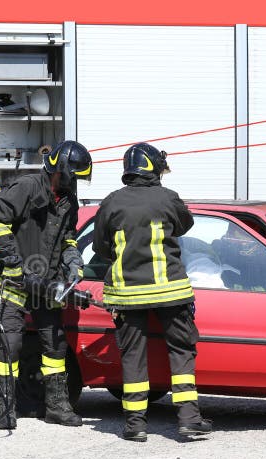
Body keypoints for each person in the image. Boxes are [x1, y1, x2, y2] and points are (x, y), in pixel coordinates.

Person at [93, 142, 212, 442]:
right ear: (154, 168)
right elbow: (185, 226)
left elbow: (101, 248)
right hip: (170, 292)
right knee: (181, 351)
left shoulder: (111, 202)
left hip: (127, 295)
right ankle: (188, 418)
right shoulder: (168, 198)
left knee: (133, 356)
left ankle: (135, 425)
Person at [0, 140, 92, 429]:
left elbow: (69, 238)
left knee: (55, 343)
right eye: (75, 177)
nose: (77, 183)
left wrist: (73, 262)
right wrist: (14, 263)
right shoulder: (27, 187)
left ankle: (56, 406)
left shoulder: (69, 201)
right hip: (15, 280)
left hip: (47, 282)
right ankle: (5, 406)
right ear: (60, 171)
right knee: (11, 342)